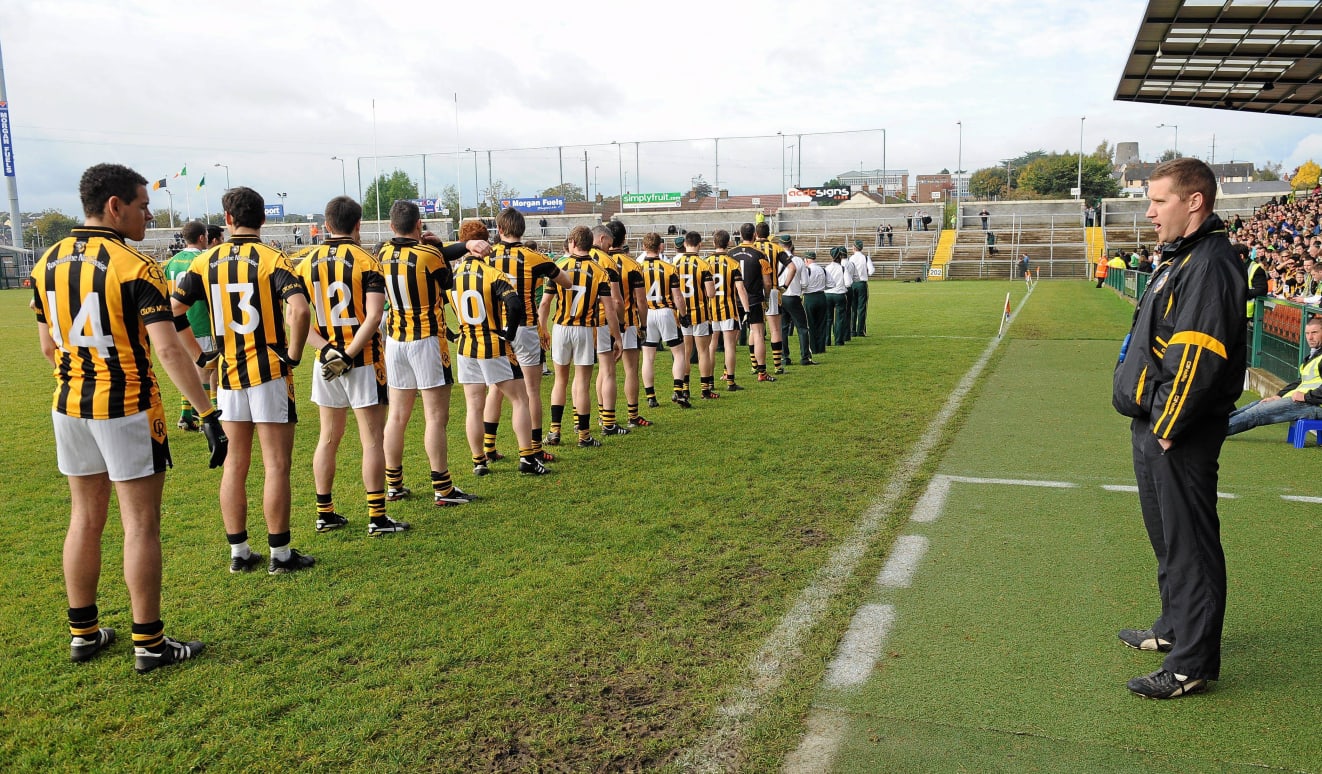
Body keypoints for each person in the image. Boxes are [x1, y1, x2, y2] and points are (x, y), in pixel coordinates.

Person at [36, 163, 224, 673]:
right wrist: (206, 412)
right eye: (142, 206)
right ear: (114, 206)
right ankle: (150, 643)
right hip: (126, 406)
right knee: (140, 523)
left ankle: (84, 632)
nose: (148, 214)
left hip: (70, 404)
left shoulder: (46, 262)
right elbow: (167, 349)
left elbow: (47, 344)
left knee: (85, 517)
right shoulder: (136, 266)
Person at [1112, 157, 1245, 699]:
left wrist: (1167, 427)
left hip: (1177, 432)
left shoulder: (1210, 263)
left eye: (1158, 201)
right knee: (1167, 539)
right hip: (1155, 426)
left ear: (1194, 202)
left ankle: (1191, 665)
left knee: (1190, 545)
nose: (1149, 213)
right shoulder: (1183, 257)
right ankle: (1173, 629)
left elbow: (1199, 353)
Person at [174, 186, 315, 577]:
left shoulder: (205, 261)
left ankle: (239, 552)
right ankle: (281, 554)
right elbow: (300, 310)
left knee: (235, 463)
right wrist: (294, 355)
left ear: (228, 218)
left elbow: (175, 312)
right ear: (264, 219)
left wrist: (202, 356)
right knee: (276, 464)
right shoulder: (273, 257)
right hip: (269, 372)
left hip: (229, 375)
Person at [297, 196, 410, 537]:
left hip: (326, 361)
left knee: (328, 437)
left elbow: (296, 318)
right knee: (372, 439)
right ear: (358, 224)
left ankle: (325, 512)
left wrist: (328, 350)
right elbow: (375, 315)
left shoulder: (304, 263)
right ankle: (376, 517)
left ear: (326, 225)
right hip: (361, 359)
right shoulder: (366, 261)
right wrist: (347, 353)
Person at [377, 200, 478, 507]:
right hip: (426, 339)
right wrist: (438, 248)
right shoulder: (428, 253)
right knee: (435, 416)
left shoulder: (382, 252)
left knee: (397, 415)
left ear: (393, 226)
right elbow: (447, 283)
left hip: (395, 340)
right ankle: (443, 488)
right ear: (419, 224)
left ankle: (393, 484)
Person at [448, 229, 549, 476]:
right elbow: (514, 304)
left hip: (465, 346)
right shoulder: (492, 273)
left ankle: (479, 461)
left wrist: (451, 334)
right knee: (520, 398)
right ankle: (527, 458)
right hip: (492, 343)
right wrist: (510, 333)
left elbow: (437, 304)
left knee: (473, 406)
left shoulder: (452, 275)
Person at [483, 208, 572, 461]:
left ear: (499, 230)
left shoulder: (488, 256)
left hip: (495, 329)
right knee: (531, 390)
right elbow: (565, 282)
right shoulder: (533, 257)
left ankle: (489, 448)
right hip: (524, 327)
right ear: (522, 230)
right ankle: (533, 448)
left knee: (495, 388)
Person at [540, 226, 623, 446]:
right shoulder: (599, 271)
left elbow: (545, 303)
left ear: (573, 243)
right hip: (585, 329)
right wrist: (618, 337)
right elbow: (610, 309)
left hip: (561, 327)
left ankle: (554, 432)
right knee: (582, 382)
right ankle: (584, 436)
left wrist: (542, 328)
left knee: (560, 380)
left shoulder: (559, 266)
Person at [1227, 316, 1322, 435]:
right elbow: (1301, 381)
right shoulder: (1314, 355)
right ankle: (1210, 426)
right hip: (1306, 401)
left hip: (1314, 404)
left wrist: (1306, 397)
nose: (1310, 337)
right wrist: (1279, 395)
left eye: (1314, 333)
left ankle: (1211, 433)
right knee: (1256, 404)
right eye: (1307, 333)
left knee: (1257, 412)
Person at [163, 221, 215, 432]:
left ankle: (186, 415)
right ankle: (205, 419)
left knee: (187, 370)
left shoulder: (171, 262)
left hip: (178, 324)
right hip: (200, 320)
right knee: (207, 371)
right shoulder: (203, 260)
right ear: (202, 237)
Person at [637, 232, 692, 407]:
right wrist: (683, 315)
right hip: (665, 310)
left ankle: (651, 396)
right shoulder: (669, 267)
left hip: (646, 312)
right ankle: (678, 391)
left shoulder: (637, 267)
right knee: (678, 352)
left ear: (644, 247)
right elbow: (678, 297)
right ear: (660, 246)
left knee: (648, 356)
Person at [606, 219, 652, 426]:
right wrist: (644, 325)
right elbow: (641, 300)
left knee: (606, 371)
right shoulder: (632, 265)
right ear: (624, 239)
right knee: (630, 369)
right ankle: (633, 415)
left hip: (606, 322)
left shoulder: (599, 261)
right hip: (629, 322)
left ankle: (605, 417)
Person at [674, 231, 720, 400]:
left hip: (683, 313)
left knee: (685, 353)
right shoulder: (703, 265)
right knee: (703, 352)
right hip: (700, 313)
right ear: (700, 244)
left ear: (685, 244)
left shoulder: (676, 265)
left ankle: (685, 389)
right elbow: (711, 293)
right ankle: (705, 390)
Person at [704, 229, 750, 391]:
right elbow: (740, 289)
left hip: (710, 310)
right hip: (728, 309)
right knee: (730, 345)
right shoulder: (733, 263)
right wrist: (747, 310)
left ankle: (709, 381)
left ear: (713, 243)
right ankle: (730, 381)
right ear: (729, 243)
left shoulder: (705, 262)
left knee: (711, 345)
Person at [731, 223, 774, 382]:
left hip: (735, 300)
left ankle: (727, 372)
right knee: (758, 334)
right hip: (754, 299)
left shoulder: (731, 254)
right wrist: (767, 296)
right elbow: (767, 282)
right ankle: (762, 372)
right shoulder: (760, 254)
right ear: (754, 235)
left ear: (741, 235)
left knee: (732, 337)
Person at [777, 236, 812, 366]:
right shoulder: (798, 261)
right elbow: (805, 282)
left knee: (782, 329)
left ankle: (784, 357)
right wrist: (800, 290)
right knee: (802, 327)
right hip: (793, 296)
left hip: (780, 296)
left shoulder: (776, 260)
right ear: (791, 246)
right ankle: (805, 357)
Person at [803, 249, 831, 355]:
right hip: (821, 296)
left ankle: (813, 348)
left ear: (806, 260)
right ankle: (821, 347)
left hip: (810, 297)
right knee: (821, 323)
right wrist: (821, 287)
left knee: (810, 323)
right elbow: (831, 283)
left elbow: (803, 284)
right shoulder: (823, 269)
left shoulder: (807, 270)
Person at [824, 247, 851, 346]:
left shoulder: (827, 268)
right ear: (840, 256)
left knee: (827, 318)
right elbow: (848, 283)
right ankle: (839, 340)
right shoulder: (842, 268)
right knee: (840, 318)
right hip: (839, 294)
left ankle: (827, 340)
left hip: (827, 294)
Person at [848, 239, 875, 336]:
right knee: (862, 308)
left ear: (854, 247)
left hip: (853, 284)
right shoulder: (865, 258)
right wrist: (865, 274)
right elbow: (871, 270)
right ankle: (861, 330)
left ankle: (852, 330)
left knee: (853, 308)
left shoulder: (851, 258)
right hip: (862, 284)